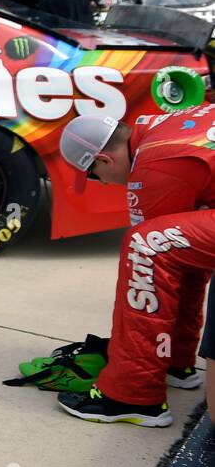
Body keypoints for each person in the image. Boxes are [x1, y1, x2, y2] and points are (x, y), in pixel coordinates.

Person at [55, 113, 213, 426]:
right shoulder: (163, 125)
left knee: (145, 246)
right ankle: (173, 362)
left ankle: (133, 395)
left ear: (103, 159)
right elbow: (182, 263)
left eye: (94, 174)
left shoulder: (153, 164)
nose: (102, 182)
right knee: (172, 243)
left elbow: (148, 272)